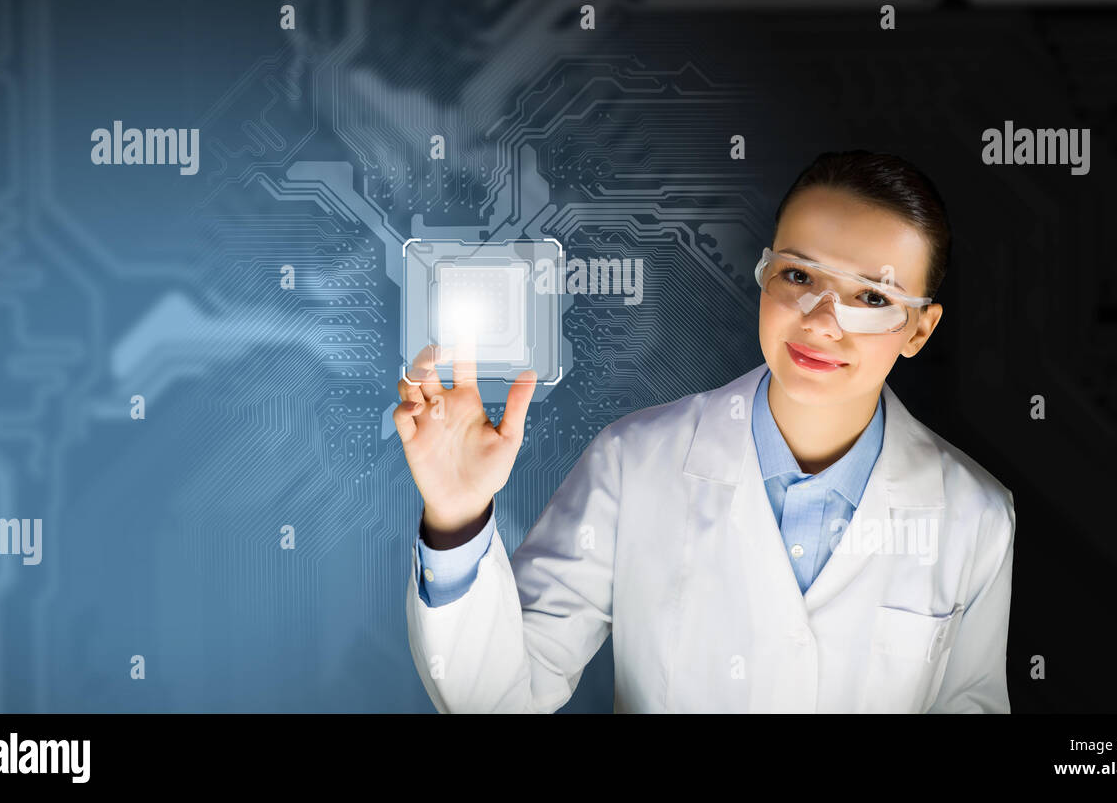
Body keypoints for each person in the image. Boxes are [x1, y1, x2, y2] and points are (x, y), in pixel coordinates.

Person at [393, 149, 1016, 713]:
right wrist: (457, 517)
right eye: (800, 276)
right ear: (766, 274)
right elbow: (497, 699)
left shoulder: (974, 516)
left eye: (874, 298)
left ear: (919, 330)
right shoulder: (633, 463)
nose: (823, 323)